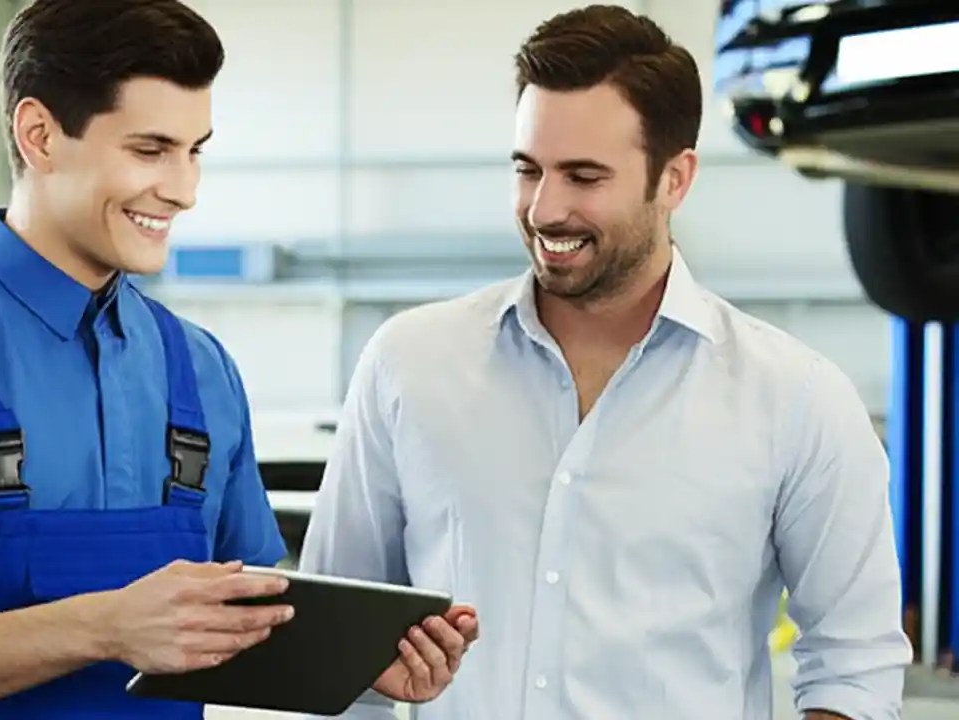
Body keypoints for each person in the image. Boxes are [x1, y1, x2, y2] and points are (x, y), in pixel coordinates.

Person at [0, 1, 475, 718]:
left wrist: (360, 663)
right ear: (39, 135)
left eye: (195, 150)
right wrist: (106, 627)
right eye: (150, 150)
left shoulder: (202, 370)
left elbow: (244, 626)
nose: (183, 188)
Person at [298, 5, 913, 720]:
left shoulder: (797, 399)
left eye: (584, 177)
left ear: (675, 179)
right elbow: (334, 643)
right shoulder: (408, 364)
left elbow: (854, 664)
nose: (545, 209)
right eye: (528, 170)